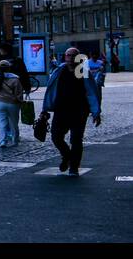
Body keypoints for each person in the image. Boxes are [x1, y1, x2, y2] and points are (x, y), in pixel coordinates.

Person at [40, 47, 103, 175]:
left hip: (79, 111)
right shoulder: (60, 70)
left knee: (76, 139)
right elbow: (51, 91)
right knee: (56, 136)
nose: (70, 58)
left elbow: (91, 92)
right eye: (68, 55)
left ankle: (74, 167)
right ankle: (67, 156)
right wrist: (45, 109)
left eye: (73, 56)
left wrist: (96, 112)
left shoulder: (82, 72)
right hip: (61, 109)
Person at [0, 59, 23, 147]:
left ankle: (3, 140)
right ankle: (15, 140)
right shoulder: (15, 78)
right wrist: (20, 101)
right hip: (13, 103)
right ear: (9, 68)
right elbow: (19, 92)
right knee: (14, 123)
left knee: (1, 123)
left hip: (0, 102)